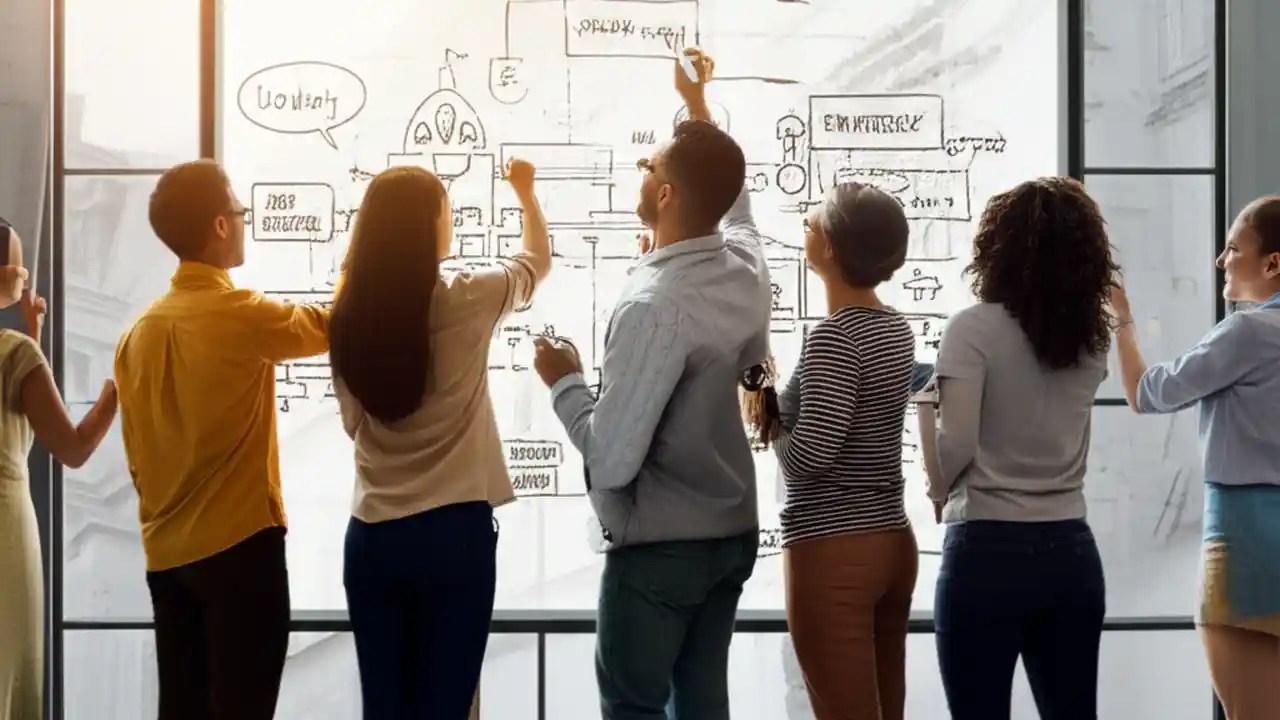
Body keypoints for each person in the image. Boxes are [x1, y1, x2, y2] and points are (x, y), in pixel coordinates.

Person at [531, 48, 772, 720]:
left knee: (634, 707)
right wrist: (696, 104)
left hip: (663, 551)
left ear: (664, 195)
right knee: (701, 703)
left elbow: (611, 458)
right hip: (730, 535)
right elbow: (735, 198)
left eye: (652, 165)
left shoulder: (654, 307)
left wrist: (565, 381)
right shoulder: (748, 265)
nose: (643, 168)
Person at [331, 159, 550, 718]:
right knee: (447, 707)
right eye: (446, 211)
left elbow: (354, 424)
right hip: (454, 536)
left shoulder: (348, 314)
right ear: (430, 226)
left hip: (373, 538)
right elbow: (535, 263)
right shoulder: (470, 296)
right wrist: (525, 193)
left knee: (385, 708)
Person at [113, 160, 330, 720]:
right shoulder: (240, 312)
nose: (244, 220)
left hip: (166, 559)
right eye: (239, 211)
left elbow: (136, 458)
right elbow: (330, 327)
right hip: (240, 551)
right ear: (218, 225)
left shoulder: (136, 335)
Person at [922, 177, 1115, 719]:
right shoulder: (1091, 337)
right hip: (1071, 552)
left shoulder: (973, 329)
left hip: (985, 550)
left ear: (998, 248)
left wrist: (937, 489)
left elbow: (955, 442)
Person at [750, 183, 919, 720]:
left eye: (815, 218)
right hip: (892, 539)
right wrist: (771, 398)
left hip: (835, 547)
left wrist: (764, 414)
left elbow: (806, 458)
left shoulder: (834, 338)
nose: (806, 220)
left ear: (831, 249)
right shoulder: (895, 329)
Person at [1112, 195, 1280, 719]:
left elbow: (1146, 393)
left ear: (1274, 263)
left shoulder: (1250, 332)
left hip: (1245, 538)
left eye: (1232, 248)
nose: (1220, 259)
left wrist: (1122, 319)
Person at [0, 218, 116, 719]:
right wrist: (116, 394)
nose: (25, 276)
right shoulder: (15, 353)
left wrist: (34, 336)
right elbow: (72, 448)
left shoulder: (19, 351)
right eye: (20, 266)